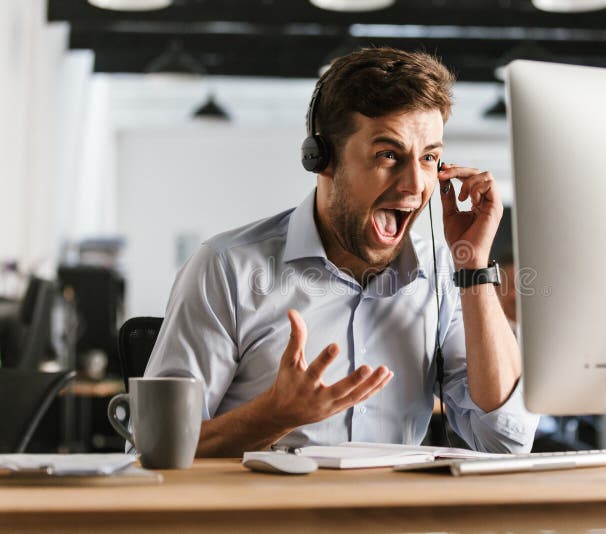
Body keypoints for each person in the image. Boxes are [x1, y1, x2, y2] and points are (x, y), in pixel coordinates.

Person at [145, 47, 538, 457]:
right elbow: (157, 449)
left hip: (392, 519)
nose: (414, 184)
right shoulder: (227, 267)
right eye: (388, 155)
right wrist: (273, 416)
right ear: (322, 158)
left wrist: (473, 268)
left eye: (429, 158)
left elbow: (506, 440)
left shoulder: (441, 275)